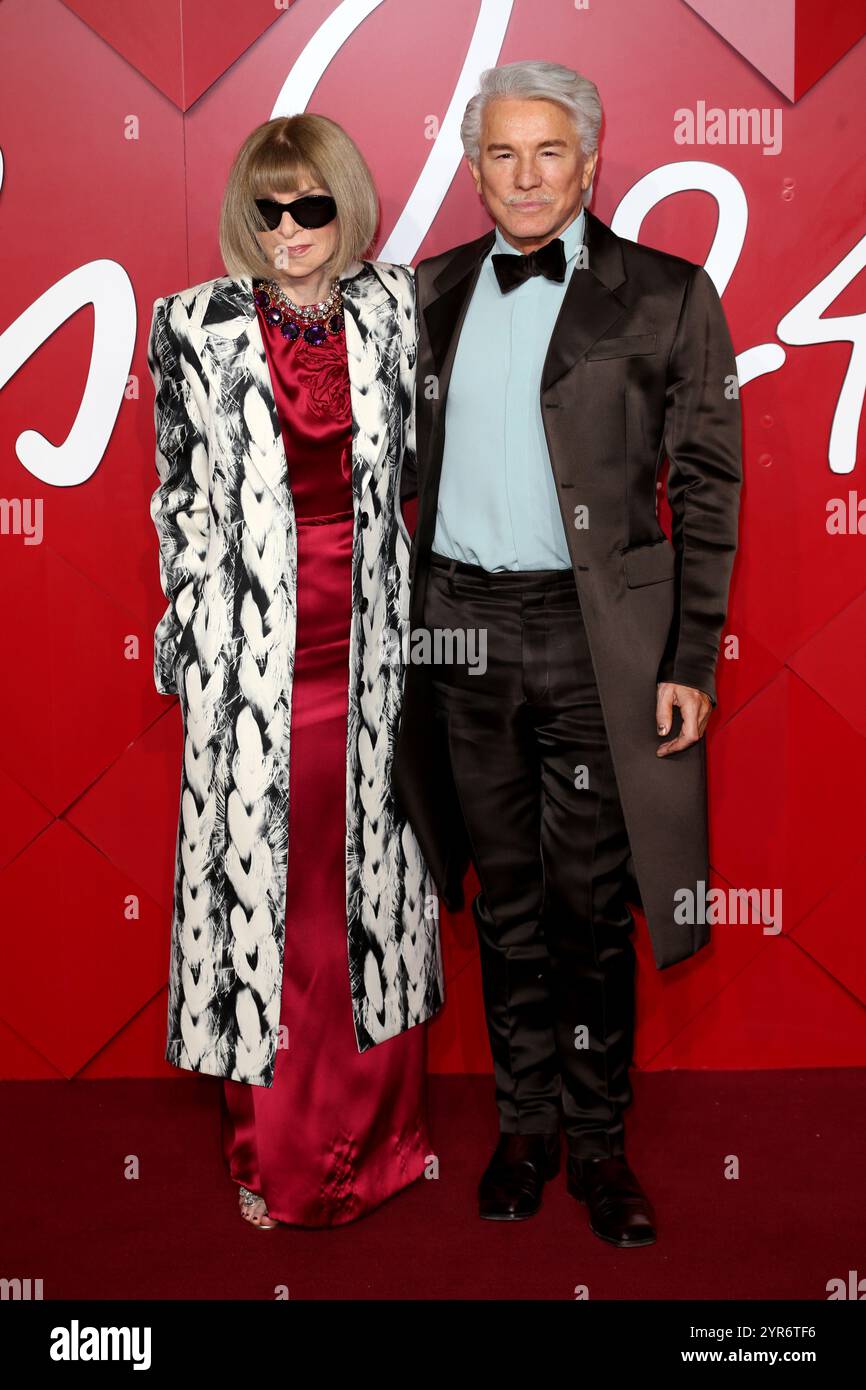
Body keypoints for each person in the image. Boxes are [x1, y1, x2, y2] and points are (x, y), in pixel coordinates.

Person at [393, 61, 742, 1247]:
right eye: (502, 152)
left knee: (591, 907)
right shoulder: (423, 294)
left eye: (549, 152)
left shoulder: (664, 295)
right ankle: (523, 1127)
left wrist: (689, 658)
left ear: (590, 160)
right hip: (458, 635)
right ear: (474, 162)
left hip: (596, 643)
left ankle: (596, 1145)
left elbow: (703, 487)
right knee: (503, 903)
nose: (526, 176)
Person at [147, 114, 443, 1230]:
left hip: (372, 663)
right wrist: (195, 627)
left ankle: (382, 1140)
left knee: (366, 898)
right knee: (265, 903)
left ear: (345, 206)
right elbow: (176, 498)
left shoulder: (393, 307)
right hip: (249, 675)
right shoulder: (191, 327)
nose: (285, 229)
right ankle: (273, 1154)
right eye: (265, 208)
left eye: (309, 205)